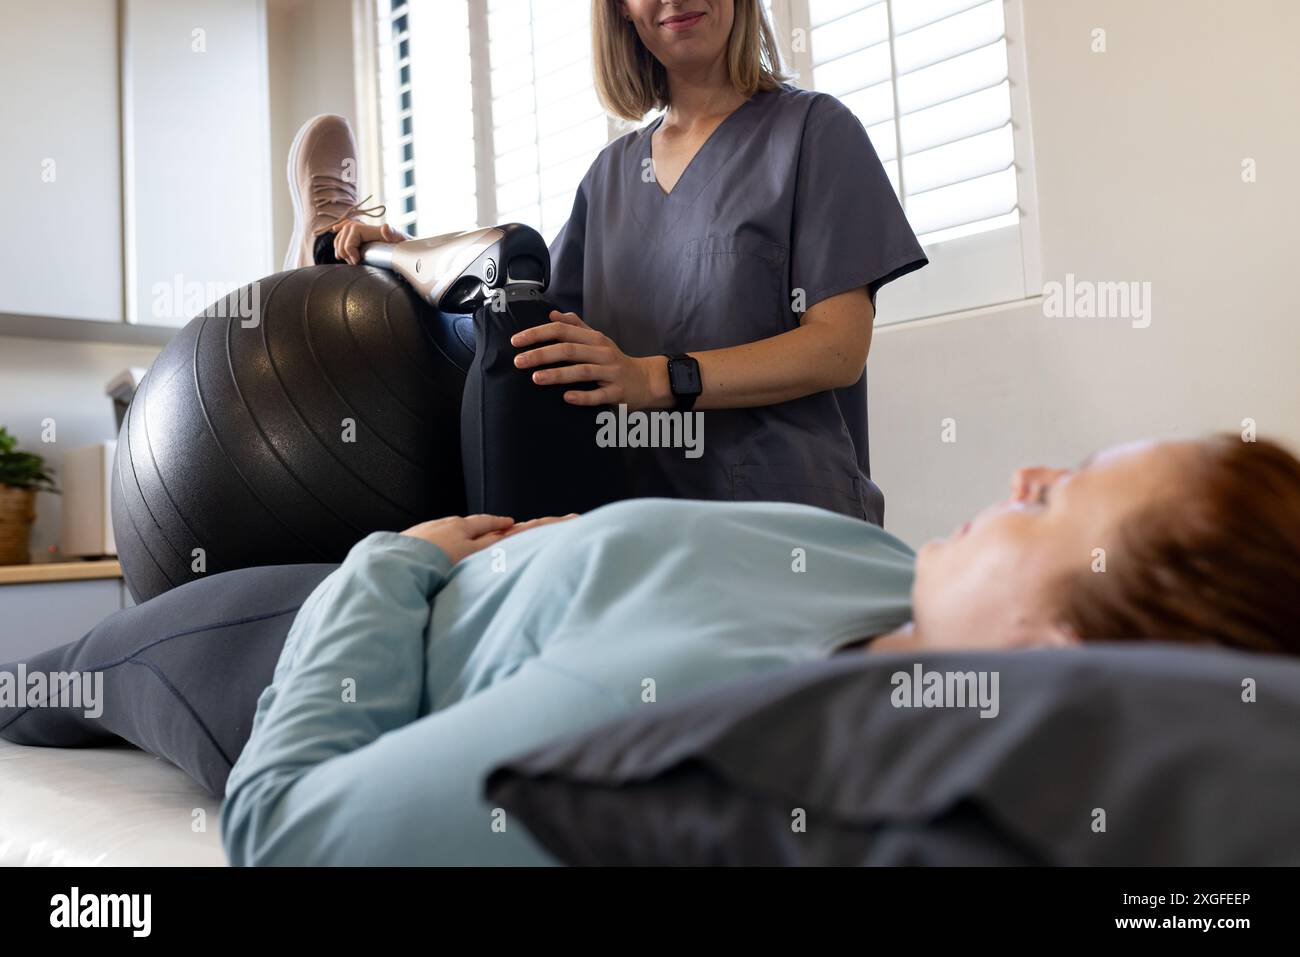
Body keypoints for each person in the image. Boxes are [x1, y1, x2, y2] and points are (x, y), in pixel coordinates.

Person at [204, 434, 1300, 864]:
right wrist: (572, 541)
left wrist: (389, 562)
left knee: (57, 678)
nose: (1021, 475)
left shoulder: (666, 735)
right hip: (478, 546)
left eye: (1055, 499)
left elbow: (282, 831)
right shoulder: (888, 568)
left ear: (1054, 654)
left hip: (333, 627)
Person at [287, 0, 928, 524]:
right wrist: (390, 255)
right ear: (622, 11)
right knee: (498, 316)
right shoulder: (612, 176)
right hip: (631, 524)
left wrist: (657, 379)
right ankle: (359, 254)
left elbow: (839, 347)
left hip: (785, 520)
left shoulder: (814, 131)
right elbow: (530, 331)